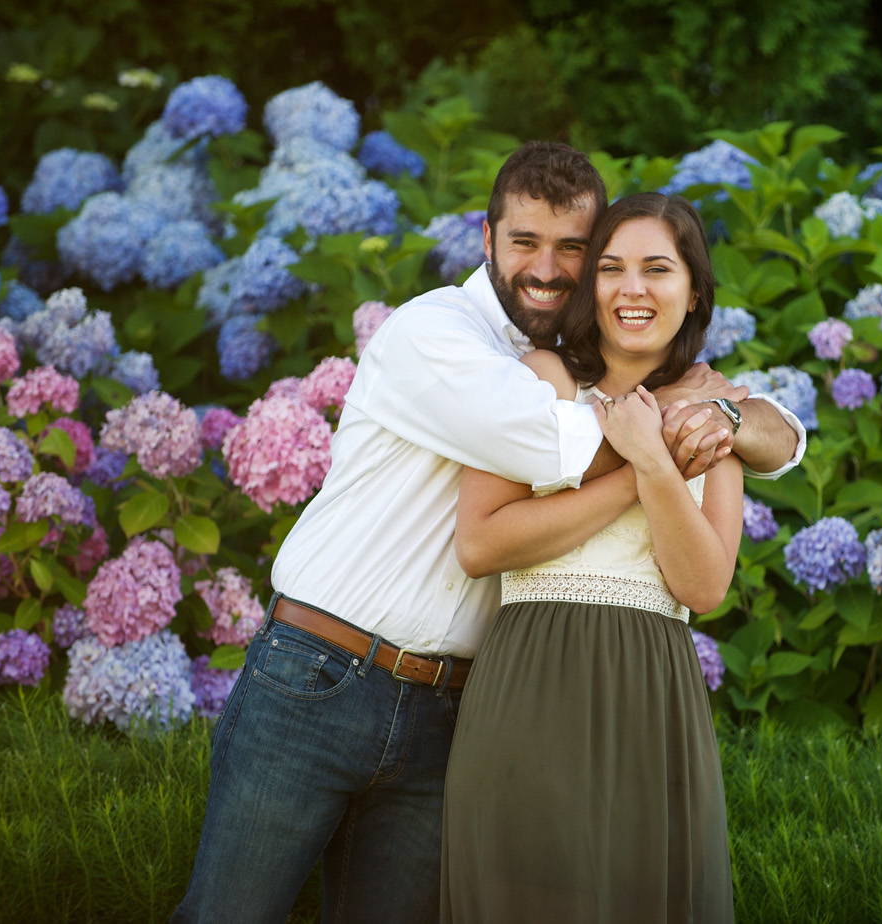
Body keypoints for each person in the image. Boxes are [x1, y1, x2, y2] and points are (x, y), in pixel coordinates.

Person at [173, 143, 806, 924]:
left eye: (574, 248)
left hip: (454, 702)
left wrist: (739, 419)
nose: (551, 268)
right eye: (526, 243)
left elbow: (739, 512)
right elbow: (510, 504)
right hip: (325, 673)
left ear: (694, 288)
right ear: (485, 239)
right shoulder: (445, 337)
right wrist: (664, 442)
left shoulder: (699, 407)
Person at [440, 192, 741, 922]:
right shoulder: (541, 381)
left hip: (652, 699)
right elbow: (482, 544)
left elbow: (702, 585)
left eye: (657, 269)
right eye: (610, 267)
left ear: (694, 288)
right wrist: (639, 464)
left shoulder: (713, 414)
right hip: (532, 689)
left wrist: (660, 462)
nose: (631, 288)